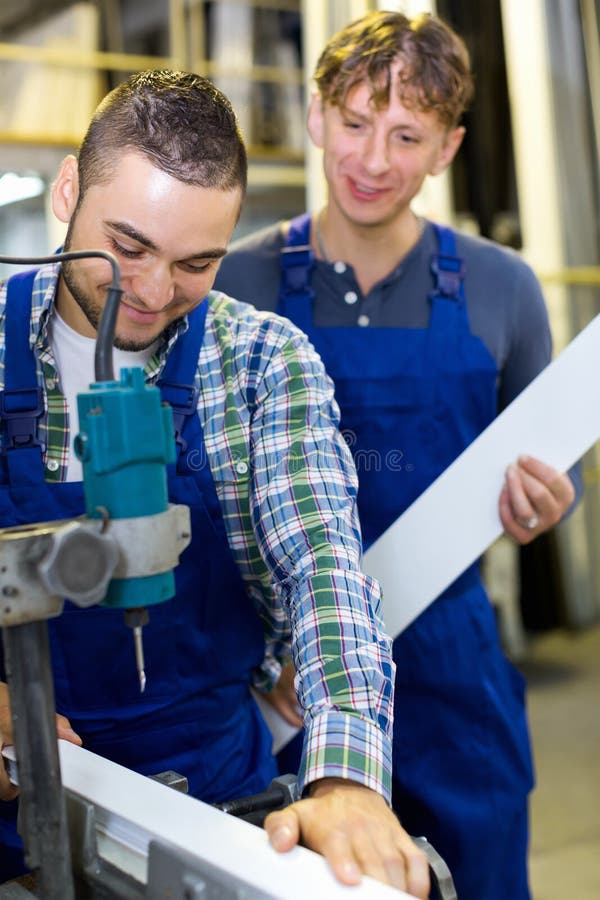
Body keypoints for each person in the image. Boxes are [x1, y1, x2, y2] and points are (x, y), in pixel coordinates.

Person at [0, 70, 430, 897]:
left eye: (196, 263)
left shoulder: (262, 360)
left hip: (215, 799)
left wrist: (345, 781)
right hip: (17, 800)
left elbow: (323, 566)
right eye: (128, 249)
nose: (154, 292)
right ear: (68, 190)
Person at [214, 11, 579, 900]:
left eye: (408, 135)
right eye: (355, 123)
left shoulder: (503, 288)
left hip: (454, 674)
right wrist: (263, 661)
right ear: (316, 115)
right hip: (294, 677)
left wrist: (547, 500)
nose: (374, 160)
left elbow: (551, 463)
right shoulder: (236, 285)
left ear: (447, 149)